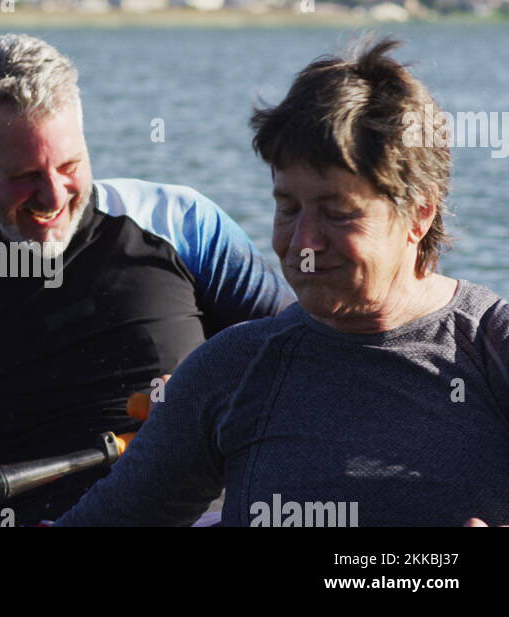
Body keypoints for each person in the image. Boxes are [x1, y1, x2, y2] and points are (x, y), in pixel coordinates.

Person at [0, 34, 295, 526]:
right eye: (25, 177)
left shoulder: (183, 223)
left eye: (69, 165)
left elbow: (301, 360)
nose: (53, 196)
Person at [56, 38, 509, 527]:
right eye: (287, 208)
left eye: (337, 213)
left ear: (419, 214)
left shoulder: (492, 348)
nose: (304, 243)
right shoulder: (230, 368)